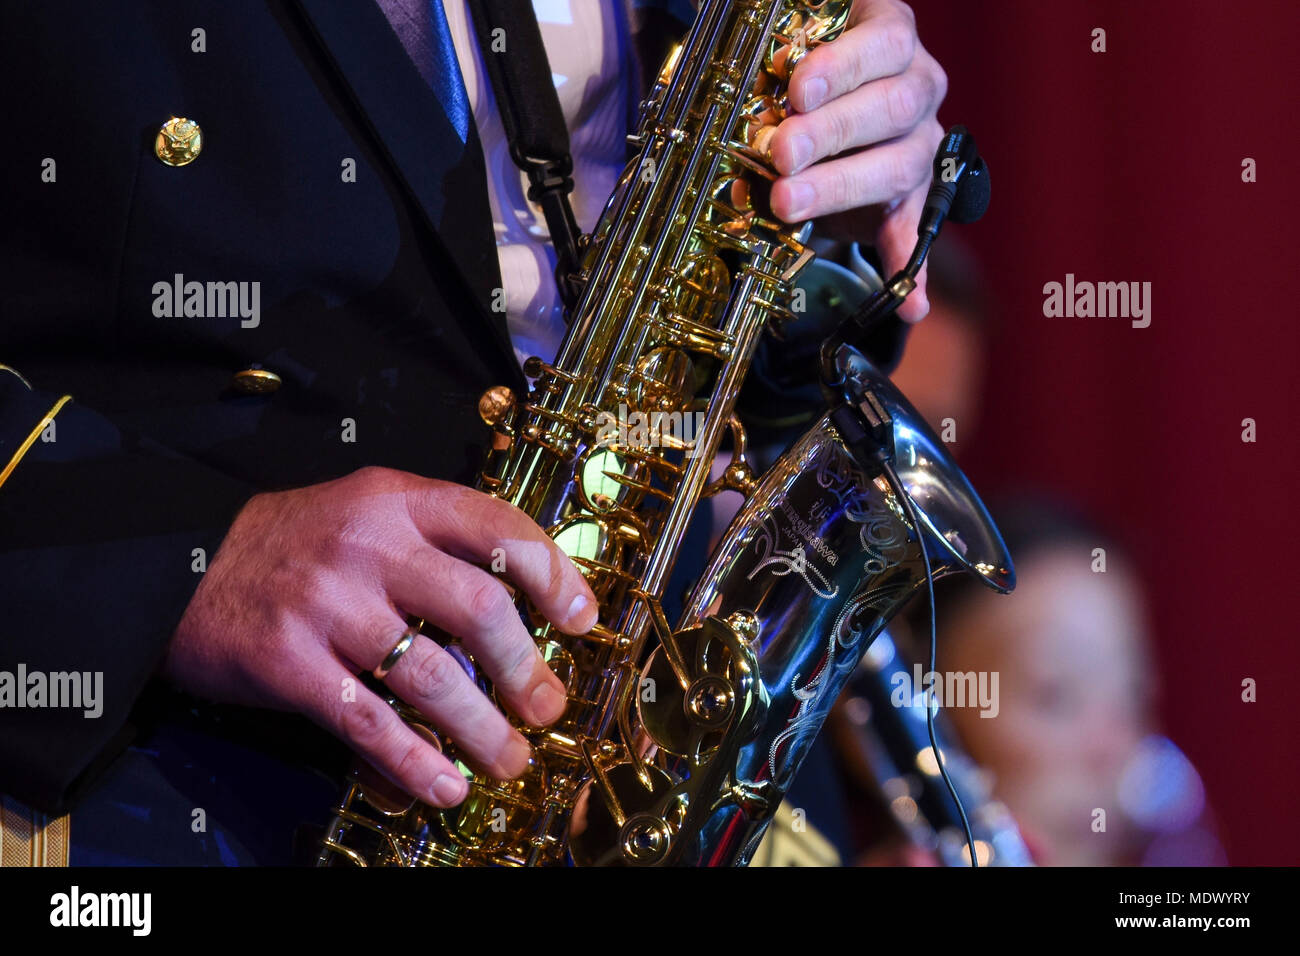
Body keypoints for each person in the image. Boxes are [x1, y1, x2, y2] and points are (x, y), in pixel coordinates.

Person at [0, 0, 950, 864]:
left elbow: (702, 335)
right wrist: (195, 558)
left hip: (601, 764)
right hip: (154, 796)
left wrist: (833, 193)